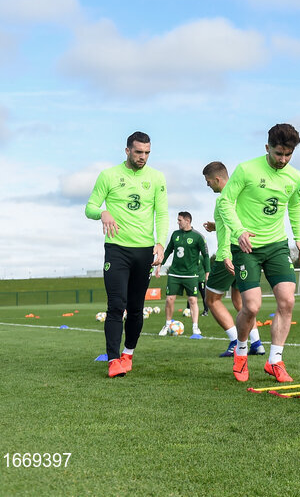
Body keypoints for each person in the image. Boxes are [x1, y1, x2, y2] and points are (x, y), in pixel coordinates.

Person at [217, 125, 300, 383]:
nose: (283, 160)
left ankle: (275, 360)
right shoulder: (246, 170)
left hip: (277, 244)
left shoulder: (295, 176)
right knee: (252, 306)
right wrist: (239, 230)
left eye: (288, 155)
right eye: (279, 154)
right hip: (246, 246)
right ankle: (242, 352)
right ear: (267, 148)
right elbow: (225, 202)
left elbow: (296, 205)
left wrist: (299, 237)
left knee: (287, 301)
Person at [84, 131, 169, 378]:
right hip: (117, 249)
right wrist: (102, 213)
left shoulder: (157, 178)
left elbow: (162, 213)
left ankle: (128, 353)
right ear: (127, 151)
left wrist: (160, 243)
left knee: (135, 308)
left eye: (147, 153)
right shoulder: (108, 175)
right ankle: (113, 360)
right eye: (138, 152)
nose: (143, 157)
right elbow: (89, 207)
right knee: (116, 305)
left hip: (144, 251)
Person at [201, 161, 267, 358]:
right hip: (246, 253)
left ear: (218, 179)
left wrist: (226, 256)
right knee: (241, 300)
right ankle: (256, 343)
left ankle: (234, 342)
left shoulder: (224, 199)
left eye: (208, 181)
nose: (207, 185)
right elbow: (234, 222)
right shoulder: (241, 195)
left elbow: (231, 229)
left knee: (211, 299)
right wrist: (215, 225)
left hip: (228, 254)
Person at [154, 212, 209, 338]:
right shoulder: (175, 234)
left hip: (191, 274)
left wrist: (207, 272)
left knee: (193, 300)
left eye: (180, 220)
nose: (178, 222)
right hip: (174, 273)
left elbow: (206, 255)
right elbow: (168, 251)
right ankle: (167, 325)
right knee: (169, 299)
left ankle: (195, 327)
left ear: (187, 220)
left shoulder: (198, 236)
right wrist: (159, 265)